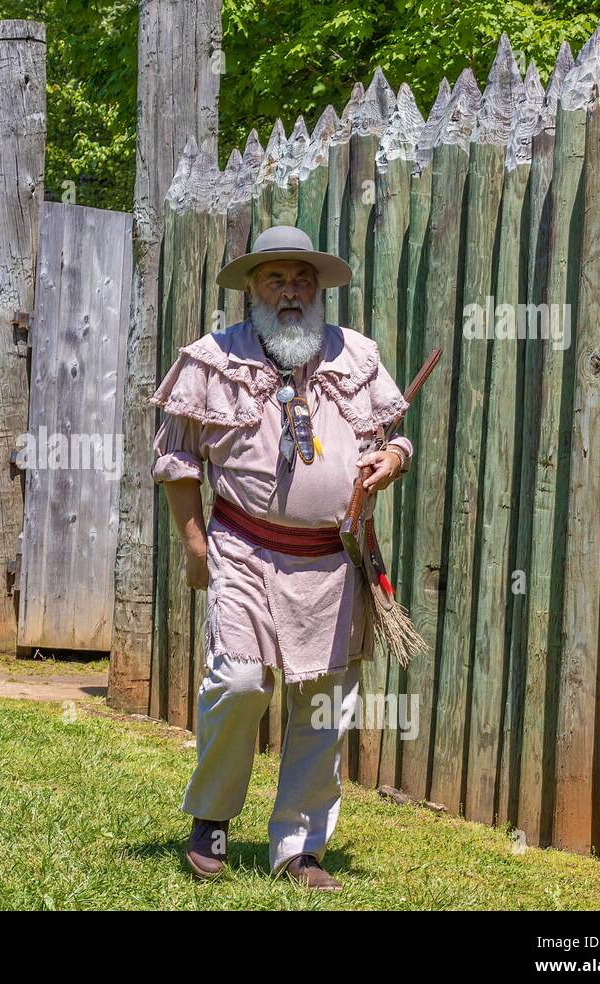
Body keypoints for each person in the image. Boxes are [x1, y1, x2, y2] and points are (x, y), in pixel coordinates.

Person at [150, 225, 413, 889]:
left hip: (333, 560)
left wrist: (394, 459)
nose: (291, 290)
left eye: (302, 278)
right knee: (239, 684)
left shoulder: (356, 356)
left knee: (325, 705)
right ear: (252, 290)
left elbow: (394, 437)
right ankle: (211, 814)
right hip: (244, 549)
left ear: (318, 288)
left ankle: (299, 847)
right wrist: (192, 545)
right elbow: (177, 460)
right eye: (276, 278)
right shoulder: (212, 359)